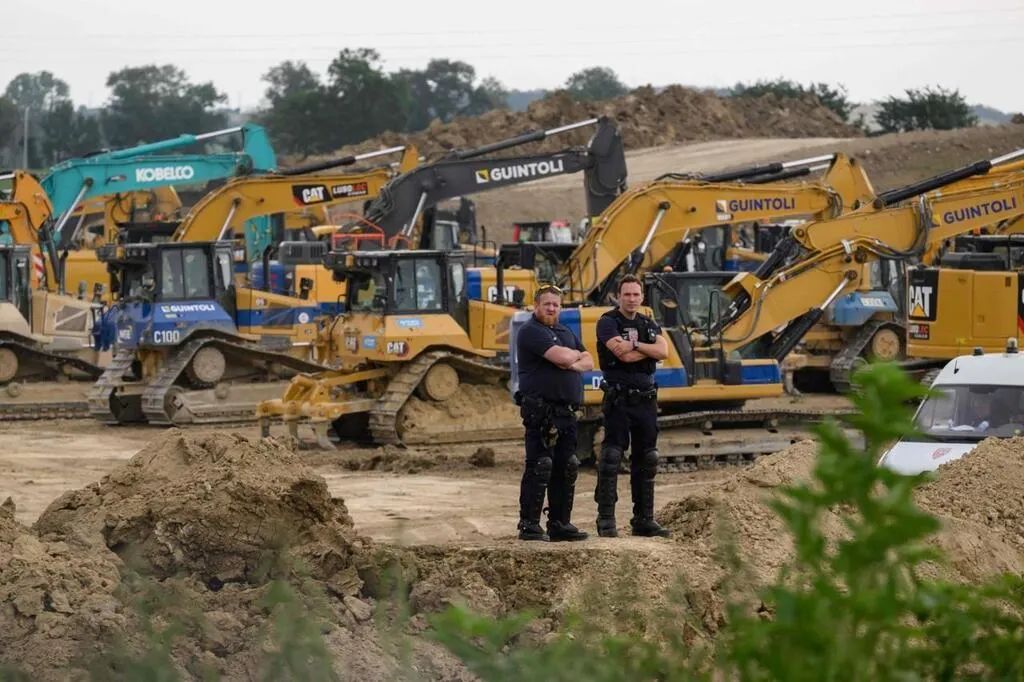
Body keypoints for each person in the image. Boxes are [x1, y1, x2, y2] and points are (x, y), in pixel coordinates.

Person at [514, 284, 593, 542]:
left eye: (556, 305)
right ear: (536, 305)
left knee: (566, 466)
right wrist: (571, 359)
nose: (551, 308)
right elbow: (561, 358)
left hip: (567, 413)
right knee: (540, 466)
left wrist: (571, 359)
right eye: (546, 304)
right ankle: (529, 525)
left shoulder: (564, 330)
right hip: (541, 413)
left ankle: (560, 523)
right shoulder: (530, 332)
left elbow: (589, 361)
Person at [594, 274, 671, 538]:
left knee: (647, 458)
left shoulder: (648, 322)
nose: (632, 299)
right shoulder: (608, 322)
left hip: (646, 400)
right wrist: (646, 348)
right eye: (627, 294)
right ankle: (606, 519)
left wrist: (636, 344)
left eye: (636, 294)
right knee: (612, 457)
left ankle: (643, 519)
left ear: (642, 297)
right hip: (619, 399)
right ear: (619, 296)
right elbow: (620, 354)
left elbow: (664, 351)